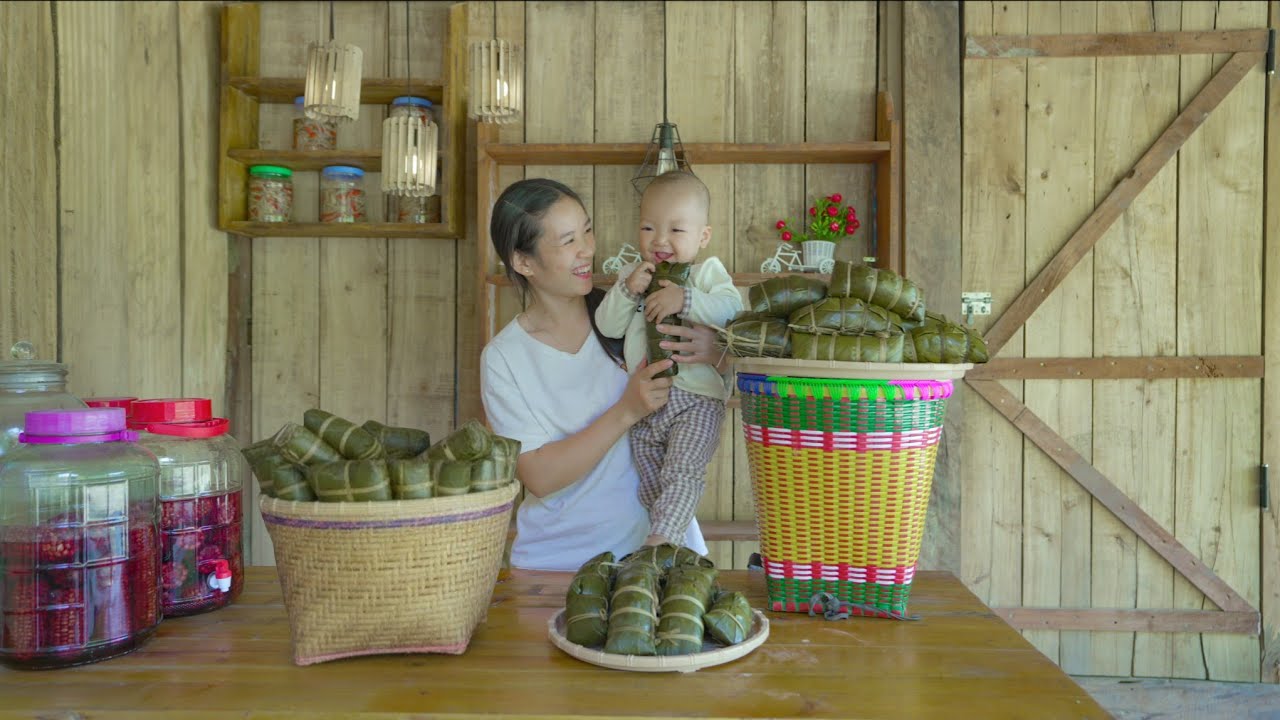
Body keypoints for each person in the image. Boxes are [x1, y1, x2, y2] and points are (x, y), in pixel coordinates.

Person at [480, 177, 721, 572]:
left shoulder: (631, 311)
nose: (588, 250)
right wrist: (627, 411)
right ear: (524, 262)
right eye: (568, 241)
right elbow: (538, 475)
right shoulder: (504, 358)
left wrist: (716, 352)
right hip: (558, 563)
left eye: (587, 231)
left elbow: (708, 383)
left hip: (658, 557)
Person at [594, 171, 744, 547]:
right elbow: (608, 326)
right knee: (650, 482)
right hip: (646, 402)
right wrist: (628, 291)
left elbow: (731, 310)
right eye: (648, 228)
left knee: (682, 472)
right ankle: (669, 545)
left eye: (676, 230)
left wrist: (686, 299)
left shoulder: (706, 274)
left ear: (702, 236)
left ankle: (660, 542)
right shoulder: (633, 277)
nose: (660, 240)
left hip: (697, 401)